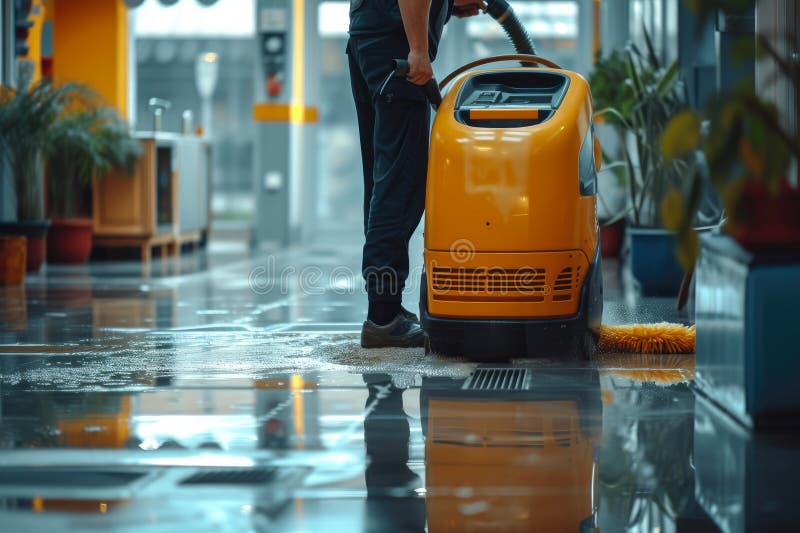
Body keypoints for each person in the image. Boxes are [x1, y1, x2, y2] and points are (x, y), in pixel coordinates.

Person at [348, 0, 486, 348]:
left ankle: (385, 308)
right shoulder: (406, 47)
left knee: (383, 181)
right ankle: (383, 316)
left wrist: (448, 5)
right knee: (400, 185)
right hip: (396, 49)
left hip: (367, 40)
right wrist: (418, 50)